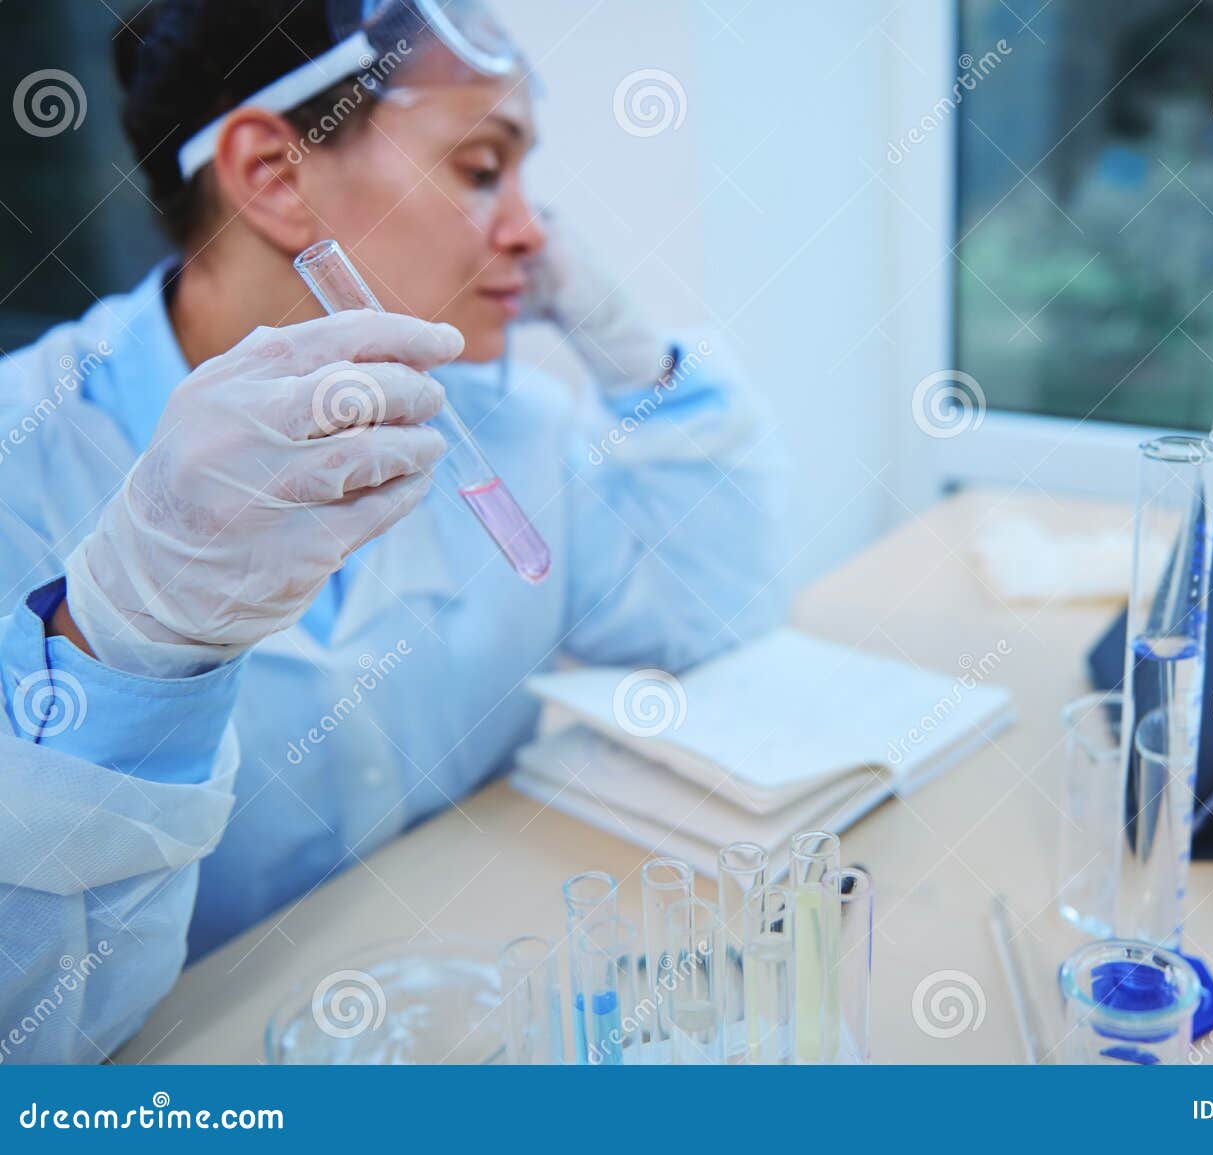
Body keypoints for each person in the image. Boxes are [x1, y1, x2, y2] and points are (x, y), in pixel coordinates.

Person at [0, 0, 782, 1063]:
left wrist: (643, 368)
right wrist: (124, 642)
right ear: (272, 176)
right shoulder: (23, 458)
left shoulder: (514, 432)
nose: (530, 231)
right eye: (479, 169)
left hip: (469, 1018)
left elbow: (713, 619)